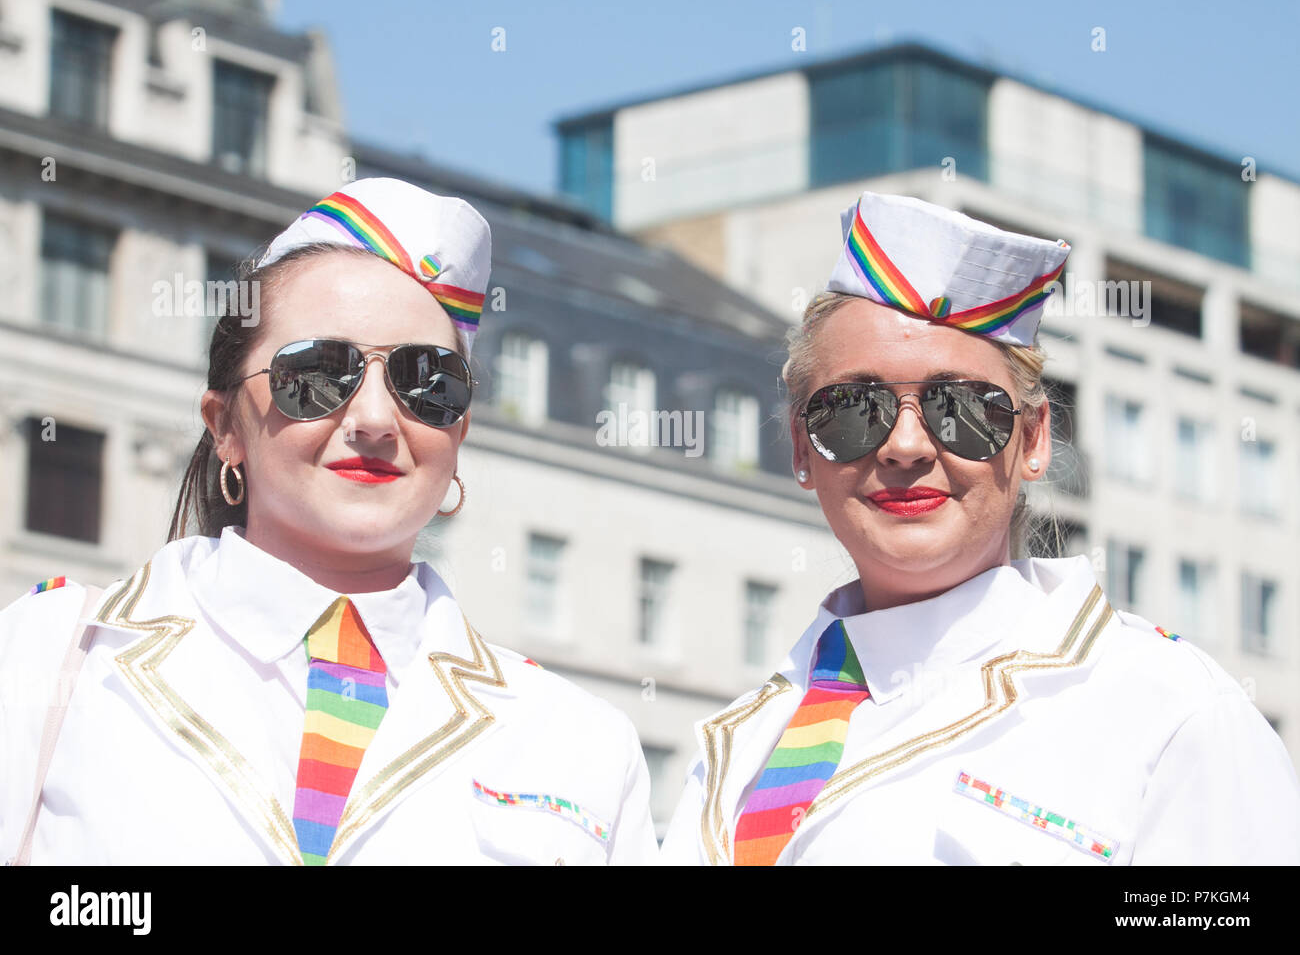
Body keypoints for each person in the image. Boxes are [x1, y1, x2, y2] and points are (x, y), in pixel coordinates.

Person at [1, 178, 656, 865]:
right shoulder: (48, 655)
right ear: (224, 426)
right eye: (316, 373)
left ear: (458, 432)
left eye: (428, 383)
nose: (374, 419)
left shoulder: (579, 741)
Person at [660, 190, 1300, 865]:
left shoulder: (1169, 710)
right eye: (853, 409)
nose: (905, 446)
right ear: (800, 448)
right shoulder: (743, 742)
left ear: (1033, 440)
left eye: (961, 408)